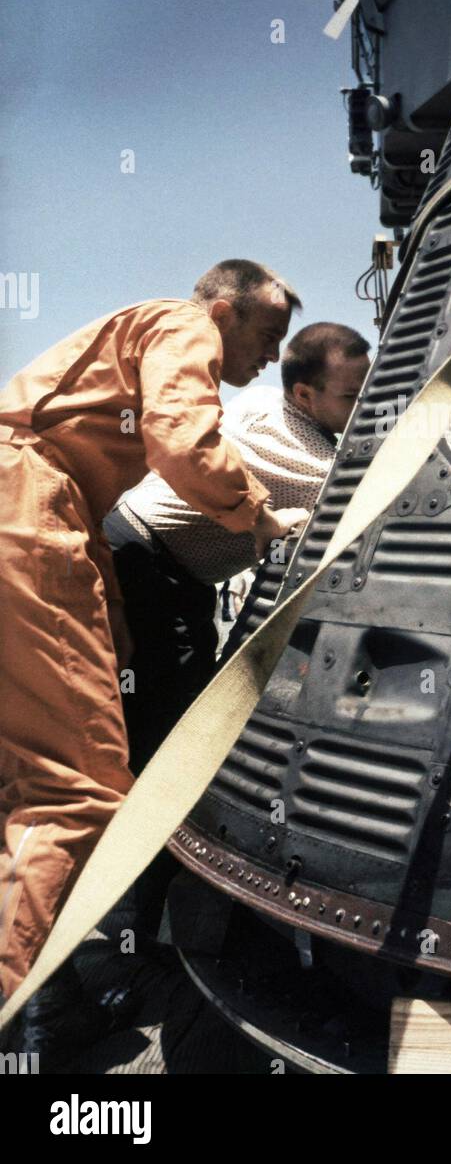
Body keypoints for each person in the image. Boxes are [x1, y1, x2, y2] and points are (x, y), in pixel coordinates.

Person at [0, 259, 303, 1056]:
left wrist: (108, 607)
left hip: (39, 511)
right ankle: (22, 1016)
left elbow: (80, 490)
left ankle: (48, 991)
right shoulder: (182, 324)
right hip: (26, 514)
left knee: (21, 782)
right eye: (267, 336)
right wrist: (260, 519)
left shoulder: (120, 344)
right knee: (78, 790)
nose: (269, 358)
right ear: (227, 310)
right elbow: (183, 443)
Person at [104, 321, 372, 776]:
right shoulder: (322, 472)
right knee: (174, 716)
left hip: (123, 538)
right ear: (305, 395)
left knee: (133, 695)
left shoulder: (260, 399)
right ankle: (150, 829)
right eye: (350, 396)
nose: (363, 406)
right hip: (155, 568)